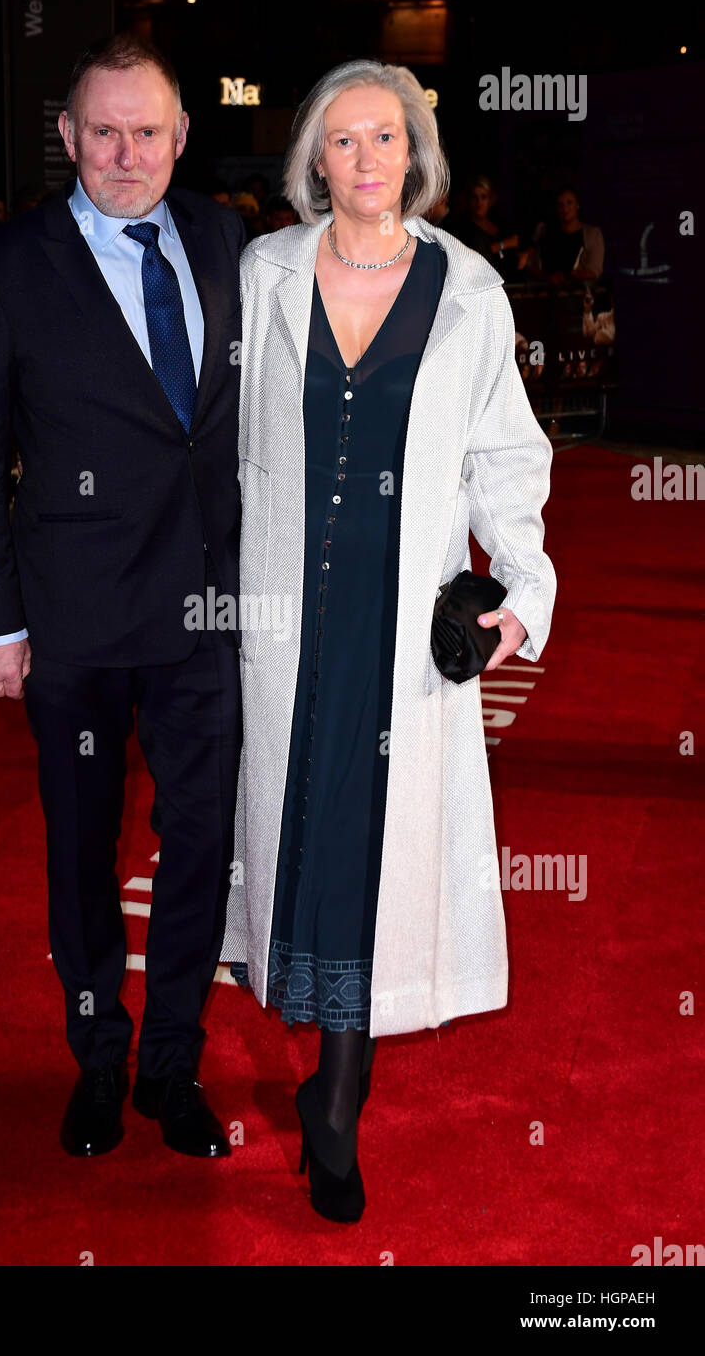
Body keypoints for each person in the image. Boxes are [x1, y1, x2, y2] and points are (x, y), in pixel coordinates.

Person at [224, 59, 556, 1222]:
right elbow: (222, 443)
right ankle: (318, 1056)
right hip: (281, 615)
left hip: (397, 616)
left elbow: (504, 459)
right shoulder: (263, 274)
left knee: (378, 842)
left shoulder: (470, 291)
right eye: (343, 141)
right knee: (303, 830)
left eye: (387, 139)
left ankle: (339, 1093)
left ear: (418, 156)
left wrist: (518, 581)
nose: (367, 161)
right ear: (313, 159)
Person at [0, 34, 245, 1162]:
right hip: (68, 616)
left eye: (147, 131)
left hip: (205, 611)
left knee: (201, 840)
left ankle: (171, 1064)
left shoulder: (222, 238)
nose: (126, 153)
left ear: (180, 136)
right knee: (81, 850)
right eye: (103, 131)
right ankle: (95, 1061)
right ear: (67, 136)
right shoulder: (9, 263)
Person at [521, 186, 604, 282]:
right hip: (547, 290)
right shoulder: (543, 231)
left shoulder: (592, 234)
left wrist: (569, 277)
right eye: (560, 204)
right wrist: (549, 277)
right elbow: (531, 265)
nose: (565, 208)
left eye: (569, 202)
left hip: (579, 291)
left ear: (577, 205)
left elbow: (595, 271)